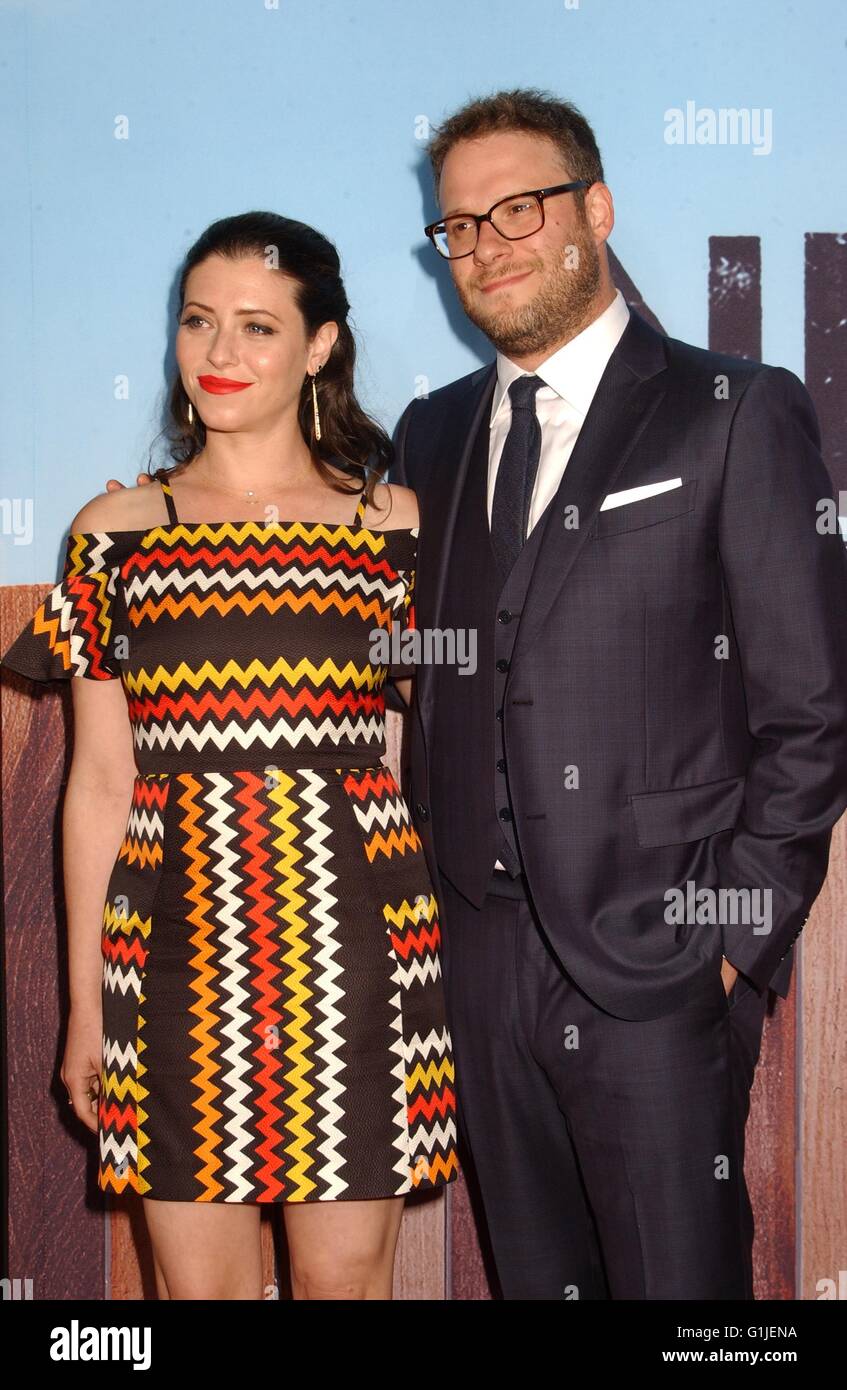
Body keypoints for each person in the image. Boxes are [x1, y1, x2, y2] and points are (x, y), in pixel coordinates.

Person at [385, 88, 847, 1299]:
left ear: (595, 209)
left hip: (662, 961)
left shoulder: (735, 408)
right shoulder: (427, 437)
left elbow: (809, 708)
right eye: (460, 227)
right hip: (477, 965)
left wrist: (732, 942)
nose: (486, 247)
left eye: (518, 210)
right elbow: (419, 671)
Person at [1, 210, 458, 1300]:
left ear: (320, 346)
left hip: (357, 944)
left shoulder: (391, 524)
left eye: (257, 326)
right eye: (198, 321)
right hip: (169, 953)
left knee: (347, 1284)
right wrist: (83, 1005)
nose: (218, 354)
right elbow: (101, 781)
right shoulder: (115, 529)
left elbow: (423, 742)